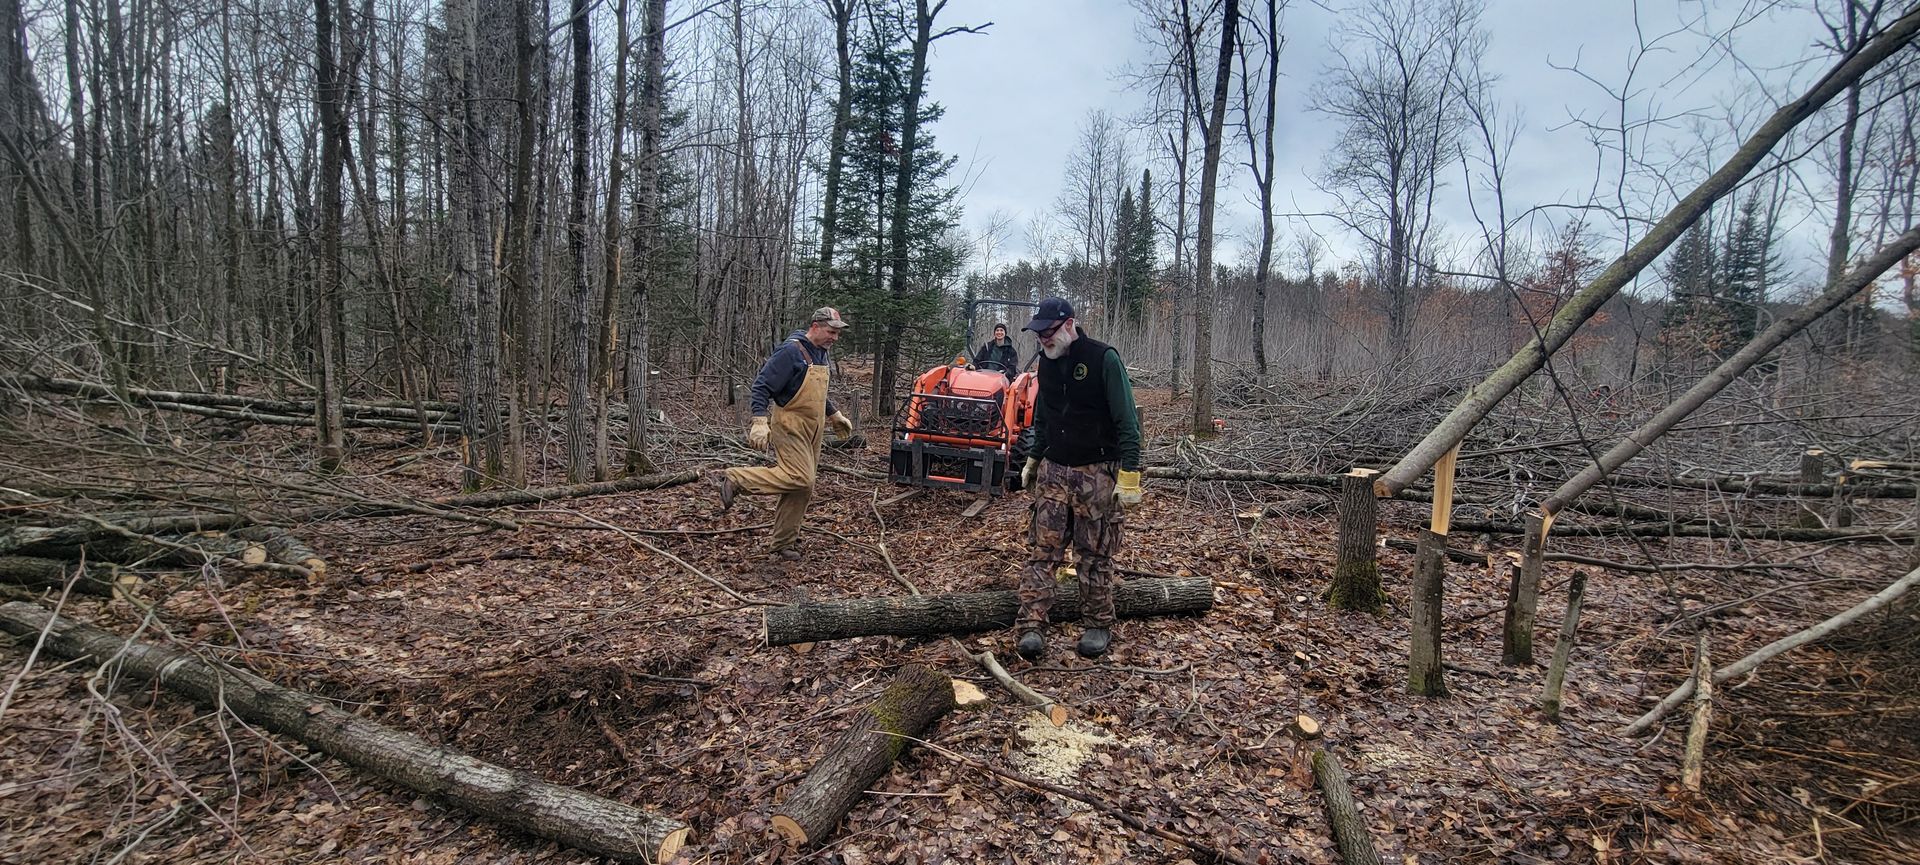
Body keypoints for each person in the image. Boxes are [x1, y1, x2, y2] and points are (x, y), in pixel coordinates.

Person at [1012, 297, 1143, 659]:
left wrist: (1129, 474)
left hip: (1096, 473)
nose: (1044, 340)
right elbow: (1043, 417)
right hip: (1054, 470)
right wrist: (1034, 458)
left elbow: (1128, 421)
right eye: (1039, 335)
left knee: (1094, 554)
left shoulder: (1103, 359)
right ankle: (1032, 625)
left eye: (1049, 332)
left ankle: (1097, 624)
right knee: (1043, 552)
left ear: (1069, 324)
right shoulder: (1046, 363)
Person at [714, 307, 856, 561]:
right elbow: (761, 386)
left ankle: (782, 544)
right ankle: (738, 479)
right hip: (790, 424)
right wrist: (759, 421)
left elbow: (815, 392)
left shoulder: (821, 353)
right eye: (831, 332)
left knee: (802, 489)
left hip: (813, 428)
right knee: (800, 478)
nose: (834, 338)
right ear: (815, 326)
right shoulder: (791, 351)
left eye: (837, 334)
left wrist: (834, 414)